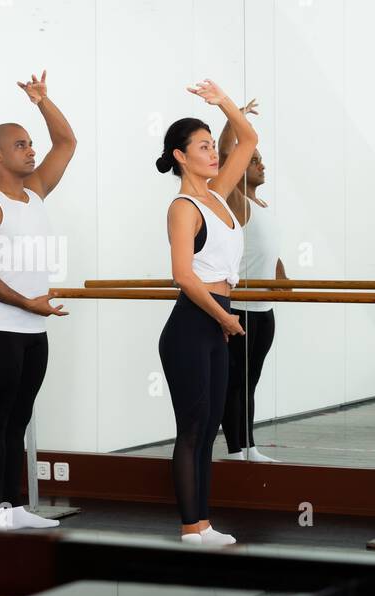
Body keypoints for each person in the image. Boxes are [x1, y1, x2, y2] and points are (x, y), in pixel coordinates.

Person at [0, 70, 76, 532]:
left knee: (20, 419)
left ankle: (15, 506)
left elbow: (66, 142)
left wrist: (42, 102)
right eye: (22, 145)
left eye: (30, 144)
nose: (31, 150)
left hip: (34, 330)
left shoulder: (36, 191)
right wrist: (26, 303)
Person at [155, 80, 258, 545]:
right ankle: (189, 526)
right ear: (180, 156)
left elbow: (249, 139)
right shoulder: (184, 206)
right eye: (202, 147)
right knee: (192, 427)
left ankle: (204, 523)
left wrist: (224, 104)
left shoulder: (219, 193)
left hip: (219, 317)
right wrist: (222, 318)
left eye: (213, 145)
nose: (213, 152)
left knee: (210, 425)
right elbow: (183, 274)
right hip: (195, 323)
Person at [220, 118, 285, 463]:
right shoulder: (236, 200)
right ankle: (236, 449)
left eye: (261, 160)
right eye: (254, 160)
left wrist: (284, 284)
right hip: (240, 308)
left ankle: (249, 445)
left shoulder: (261, 206)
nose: (261, 165)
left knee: (251, 380)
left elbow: (270, 252)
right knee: (236, 382)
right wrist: (232, 120)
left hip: (263, 310)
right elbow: (225, 153)